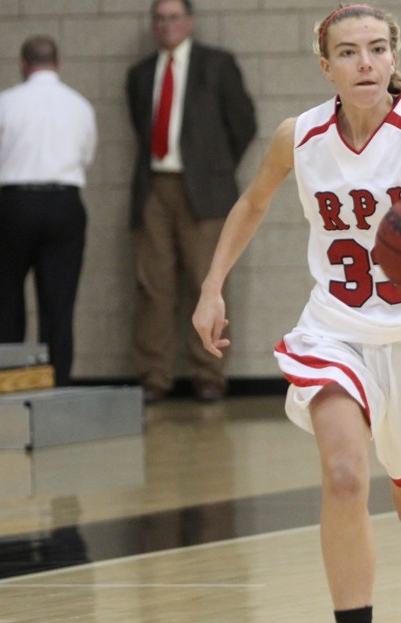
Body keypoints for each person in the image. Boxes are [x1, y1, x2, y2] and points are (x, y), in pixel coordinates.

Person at [191, 4, 401, 623]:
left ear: (393, 57)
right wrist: (211, 286)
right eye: (349, 52)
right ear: (325, 66)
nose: (365, 63)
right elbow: (253, 204)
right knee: (346, 475)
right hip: (336, 328)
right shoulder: (301, 136)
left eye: (377, 49)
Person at [126, 0, 256, 403]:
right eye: (159, 18)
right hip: (154, 187)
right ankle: (154, 375)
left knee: (208, 282)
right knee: (153, 285)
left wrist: (213, 168)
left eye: (174, 17)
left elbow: (244, 124)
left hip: (206, 192)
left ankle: (208, 374)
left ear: (190, 22)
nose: (166, 25)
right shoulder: (140, 74)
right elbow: (140, 128)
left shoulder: (216, 65)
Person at [0, 35, 96, 386]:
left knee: (8, 298)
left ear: (23, 65)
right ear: (57, 64)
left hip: (15, 204)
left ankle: (5, 383)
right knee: (59, 307)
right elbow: (86, 157)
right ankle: (56, 385)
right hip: (65, 205)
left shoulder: (2, 102)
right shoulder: (80, 105)